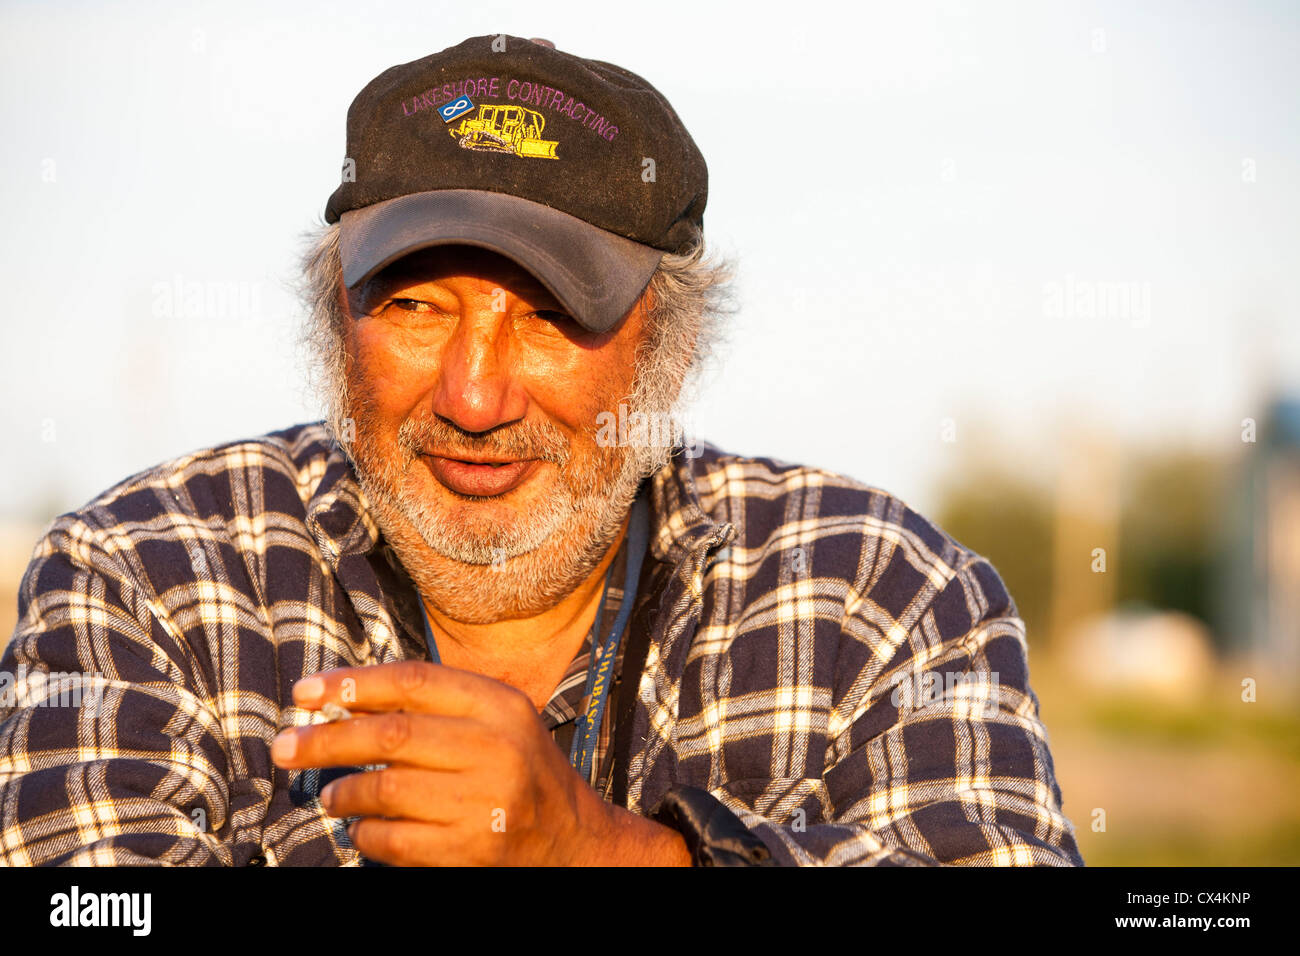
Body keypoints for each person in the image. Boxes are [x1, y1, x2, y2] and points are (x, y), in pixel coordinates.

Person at [0, 34, 1083, 867]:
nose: (473, 396)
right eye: (415, 305)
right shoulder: (144, 576)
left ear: (672, 342)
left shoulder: (878, 593)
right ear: (335, 318)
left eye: (551, 316)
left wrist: (603, 852)